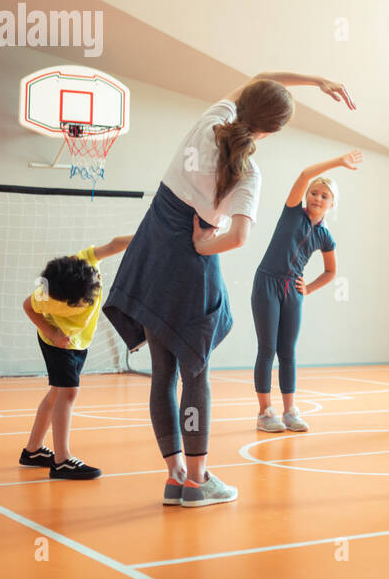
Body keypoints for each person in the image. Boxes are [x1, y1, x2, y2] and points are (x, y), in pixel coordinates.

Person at [103, 72, 354, 508]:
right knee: (195, 371)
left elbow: (259, 77)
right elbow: (238, 237)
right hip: (189, 264)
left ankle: (176, 476)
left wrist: (314, 81)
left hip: (151, 252)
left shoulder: (209, 121)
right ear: (270, 131)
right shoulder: (249, 172)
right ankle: (198, 480)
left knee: (163, 374)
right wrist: (204, 244)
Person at [253, 151, 362, 433]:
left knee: (288, 351)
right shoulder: (292, 212)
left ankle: (290, 411)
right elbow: (304, 175)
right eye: (314, 193)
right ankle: (265, 412)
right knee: (267, 348)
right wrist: (338, 162)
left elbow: (331, 272)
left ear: (331, 204)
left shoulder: (325, 235)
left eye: (324, 196)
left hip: (293, 291)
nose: (316, 198)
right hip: (267, 282)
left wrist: (308, 289)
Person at [19, 235, 132, 479]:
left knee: (58, 393)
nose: (95, 282)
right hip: (57, 342)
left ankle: (33, 450)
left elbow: (113, 245)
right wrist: (53, 332)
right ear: (69, 300)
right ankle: (61, 461)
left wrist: (148, 234)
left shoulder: (81, 262)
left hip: (77, 341)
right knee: (68, 392)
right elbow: (27, 306)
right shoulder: (48, 298)